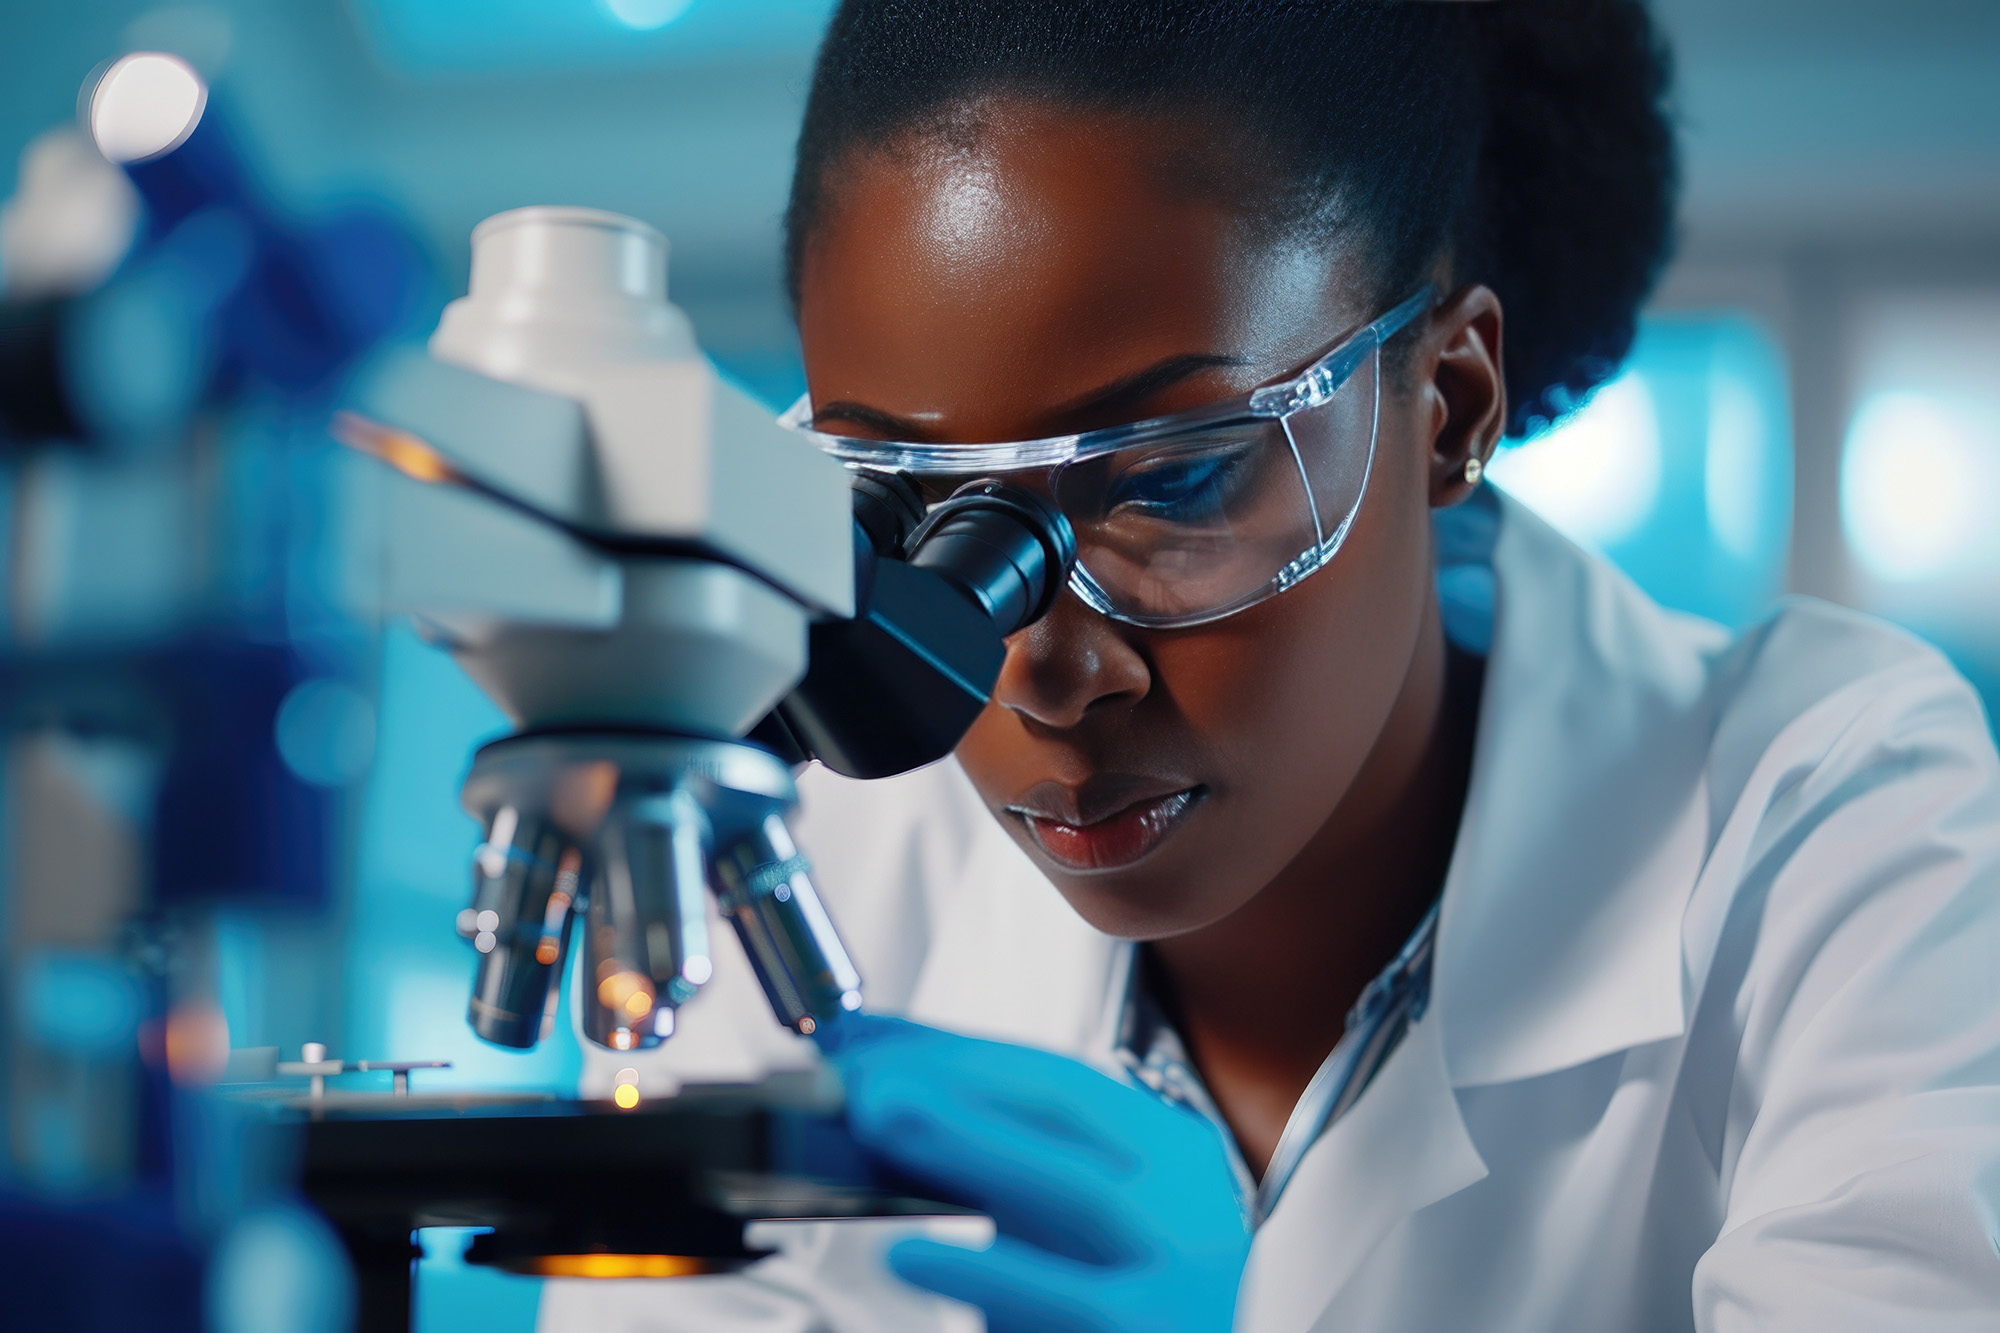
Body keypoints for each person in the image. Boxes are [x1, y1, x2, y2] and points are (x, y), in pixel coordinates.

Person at [544, 2, 2000, 1330]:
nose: (1040, 675)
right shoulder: (802, 854)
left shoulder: (1830, 813)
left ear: (1448, 403)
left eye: (1174, 483)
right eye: (904, 504)